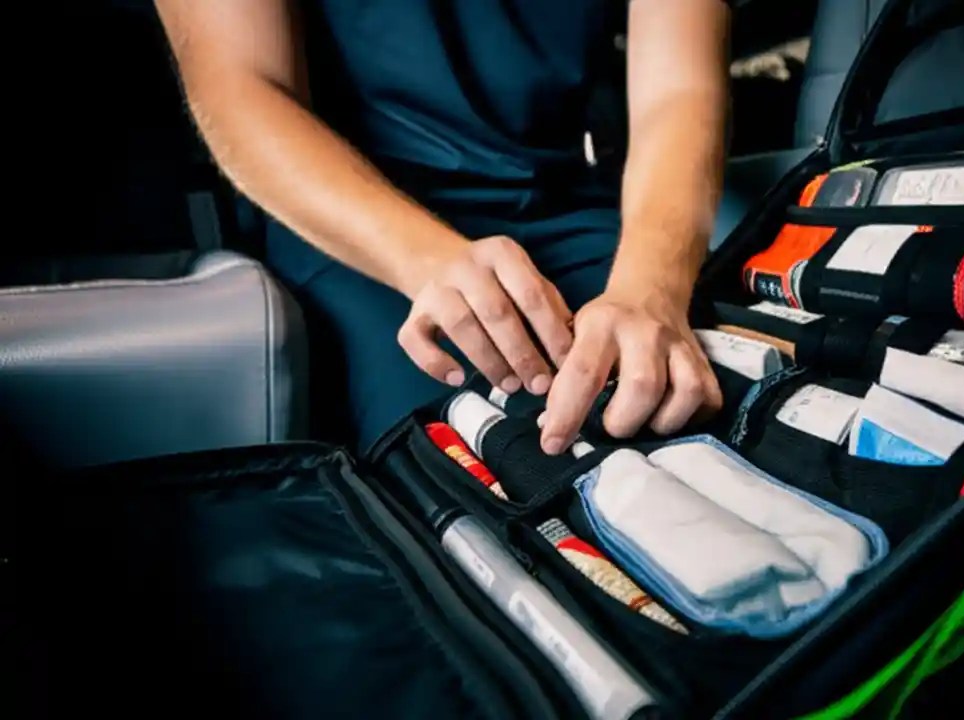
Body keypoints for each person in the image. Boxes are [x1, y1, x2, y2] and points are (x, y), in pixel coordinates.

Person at [155, 0, 730, 453]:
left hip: (574, 204)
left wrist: (650, 291)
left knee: (700, 412)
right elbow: (240, 83)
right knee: (470, 466)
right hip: (357, 224)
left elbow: (677, 92)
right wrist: (427, 261)